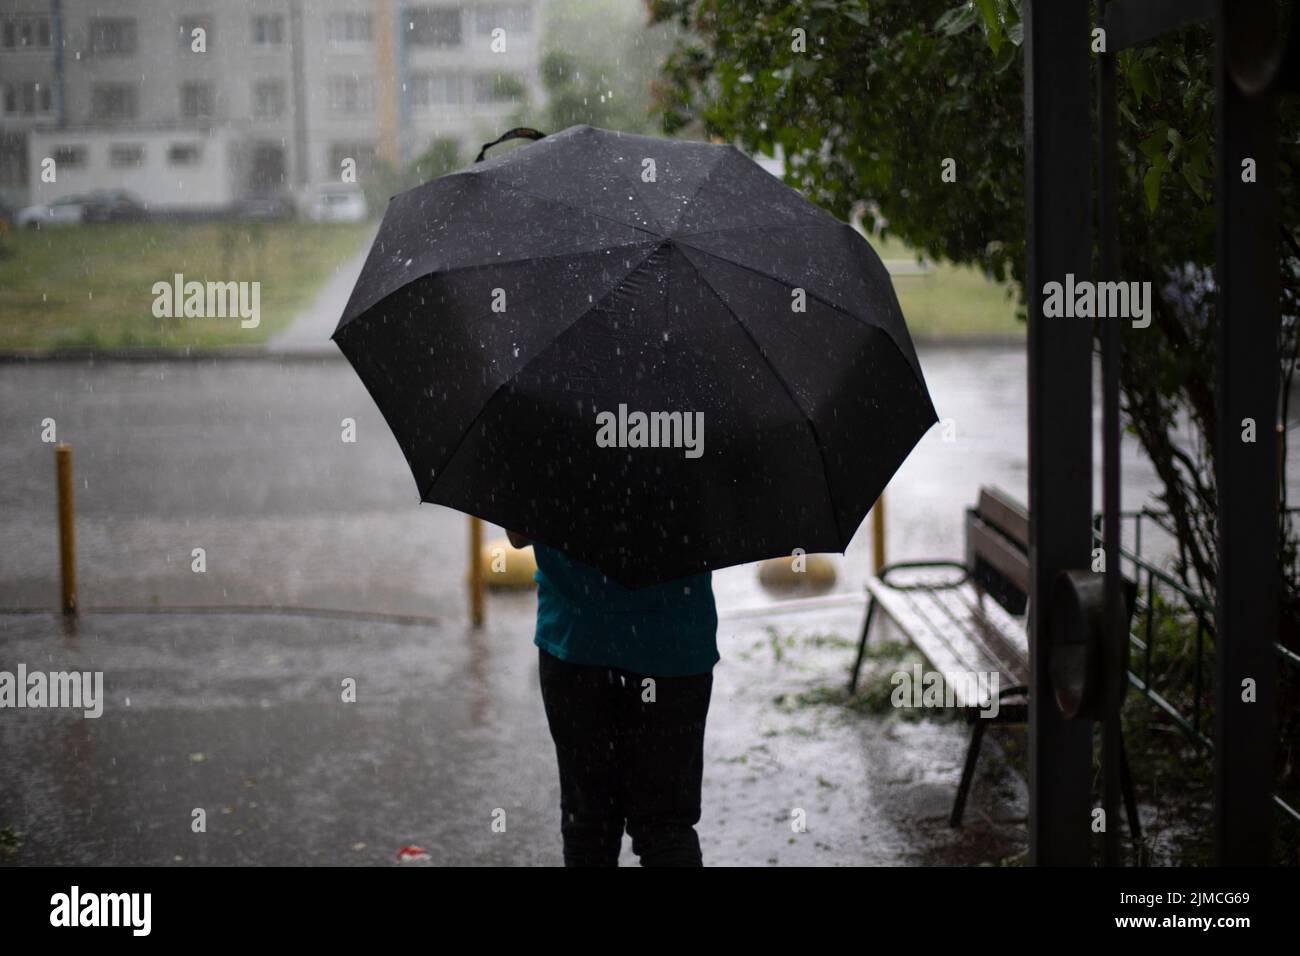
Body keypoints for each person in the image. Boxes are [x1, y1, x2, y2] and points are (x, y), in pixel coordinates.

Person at [506, 529, 718, 867]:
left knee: (588, 823)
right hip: (673, 648)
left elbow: (517, 535)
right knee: (666, 827)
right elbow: (725, 527)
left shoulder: (559, 472)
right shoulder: (702, 472)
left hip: (577, 644)